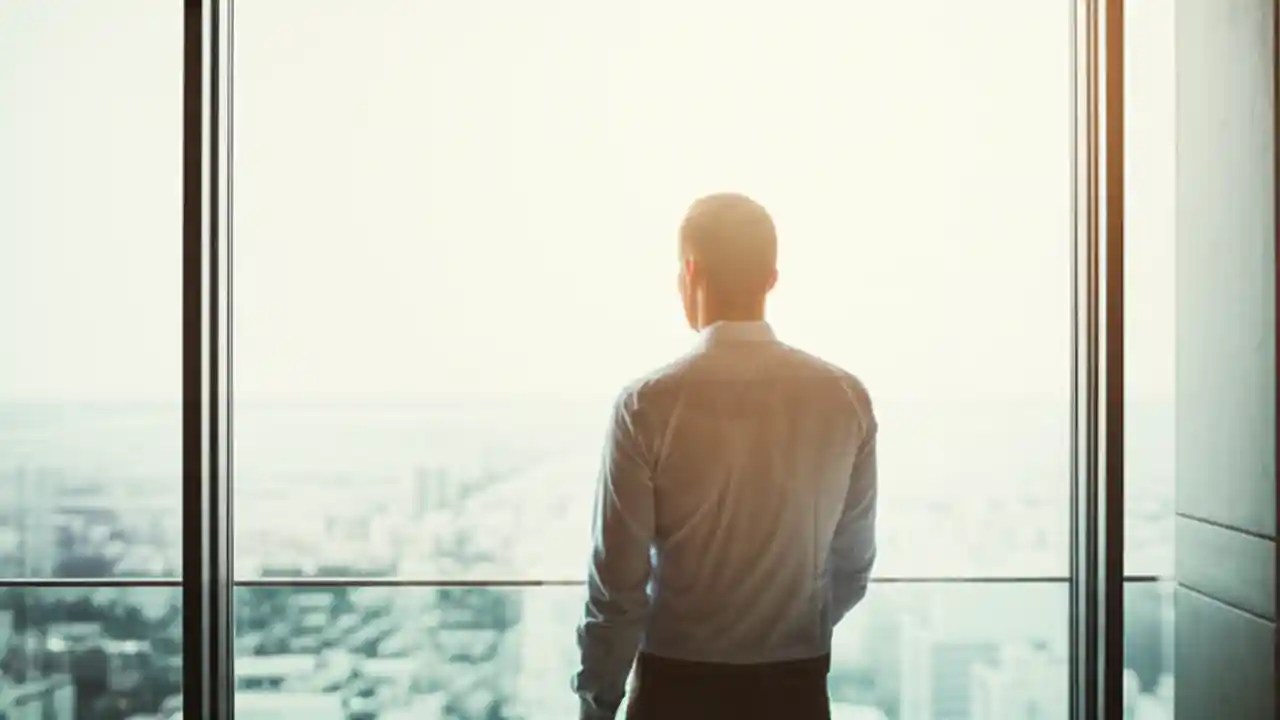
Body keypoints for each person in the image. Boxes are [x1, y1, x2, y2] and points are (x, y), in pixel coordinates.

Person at [571, 193, 878, 720]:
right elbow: (852, 564)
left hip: (676, 687)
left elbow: (617, 587)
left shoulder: (647, 404)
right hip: (795, 688)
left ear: (689, 271)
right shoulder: (844, 396)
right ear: (771, 279)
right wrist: (789, 631)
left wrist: (597, 702)